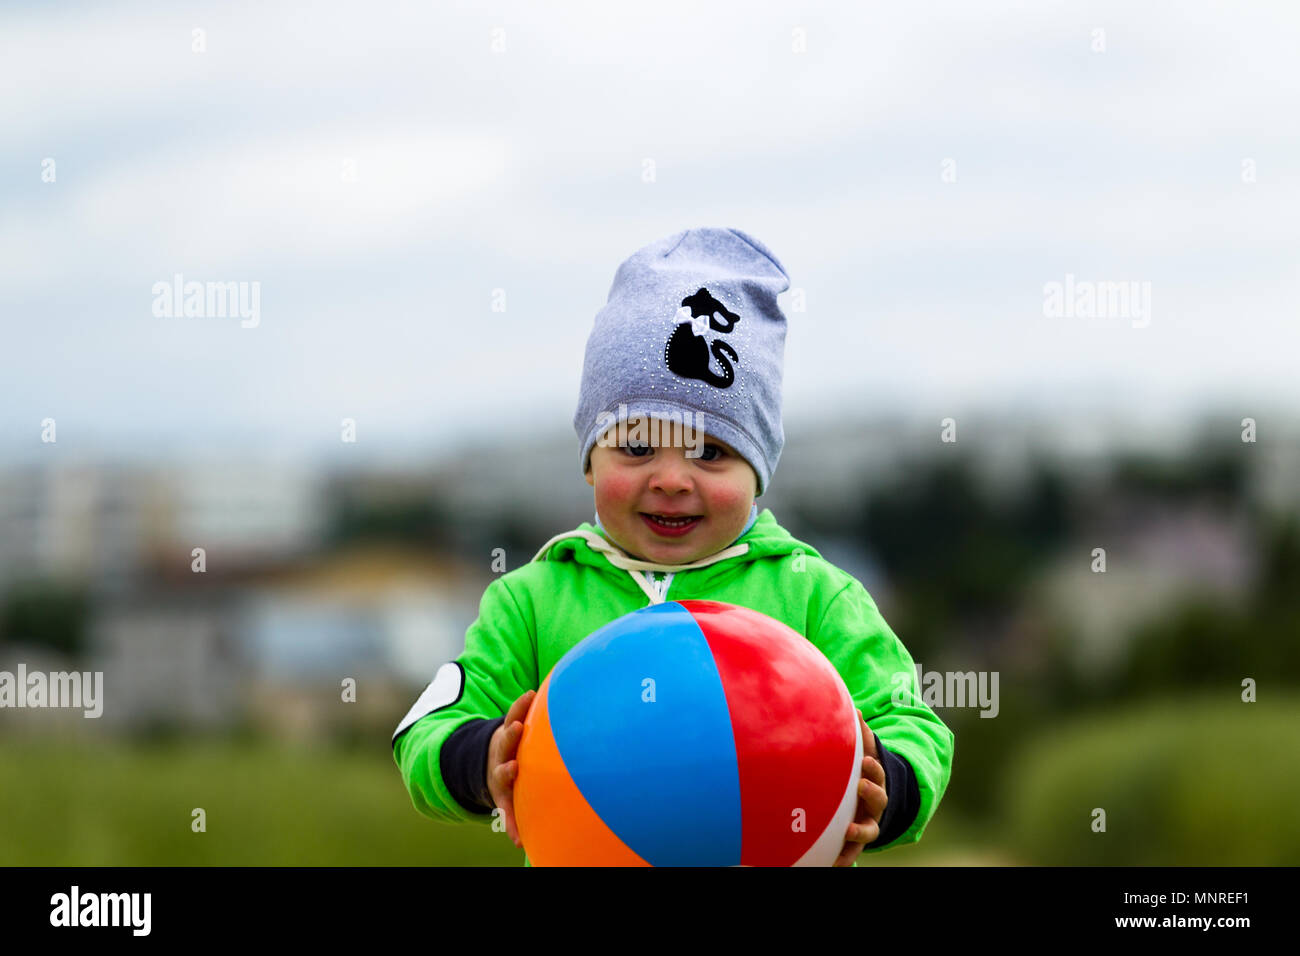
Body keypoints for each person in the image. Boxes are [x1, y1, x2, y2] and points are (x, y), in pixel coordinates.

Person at [392, 227, 954, 866]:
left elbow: (915, 725)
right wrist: (482, 759)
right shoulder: (529, 601)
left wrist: (890, 784)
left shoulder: (816, 595)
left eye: (711, 453)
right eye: (635, 447)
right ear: (588, 462)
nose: (670, 478)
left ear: (759, 473)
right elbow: (423, 732)